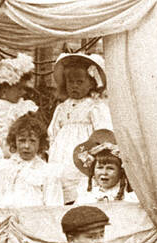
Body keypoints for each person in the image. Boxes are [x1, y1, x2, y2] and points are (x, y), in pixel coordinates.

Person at [47, 52, 113, 203]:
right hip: (61, 153)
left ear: (91, 84)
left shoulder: (95, 106)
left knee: (79, 180)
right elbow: (53, 130)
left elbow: (103, 132)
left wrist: (96, 151)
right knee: (59, 178)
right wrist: (53, 145)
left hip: (83, 151)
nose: (74, 86)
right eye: (71, 82)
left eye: (80, 82)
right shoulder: (62, 107)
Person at [0, 53, 40, 157]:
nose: (23, 92)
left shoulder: (24, 107)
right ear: (4, 91)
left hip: (18, 154)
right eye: (20, 88)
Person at [0, 112, 64, 207]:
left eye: (32, 141)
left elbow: (54, 205)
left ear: (40, 143)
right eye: (22, 140)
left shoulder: (47, 172)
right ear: (14, 141)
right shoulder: (3, 168)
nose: (26, 146)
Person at [73, 130, 138, 204]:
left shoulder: (129, 195)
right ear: (93, 170)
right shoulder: (87, 193)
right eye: (100, 168)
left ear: (121, 171)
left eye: (110, 168)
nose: (104, 172)